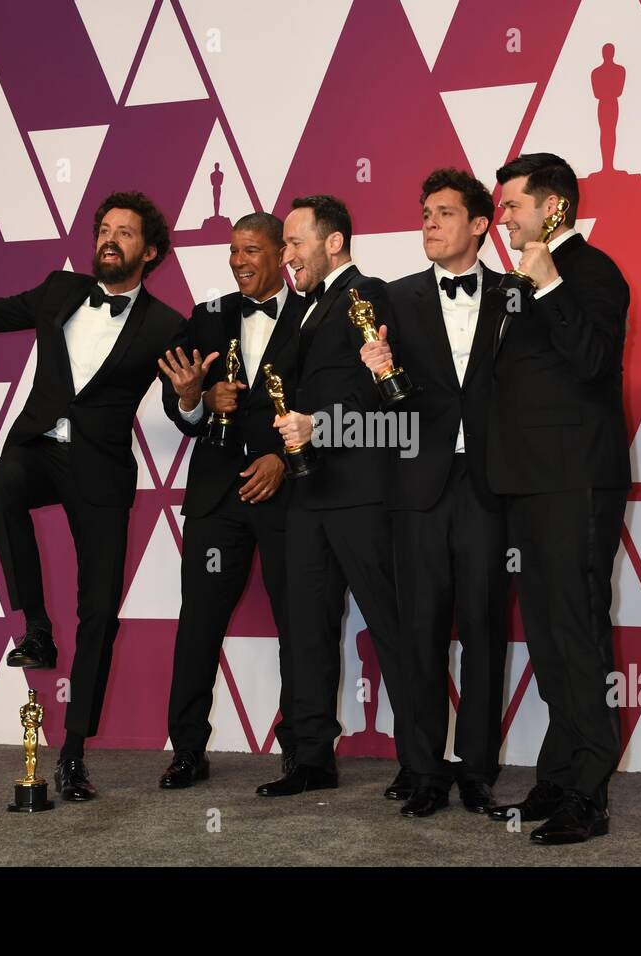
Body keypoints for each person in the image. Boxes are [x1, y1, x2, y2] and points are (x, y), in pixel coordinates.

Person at [0, 190, 197, 802]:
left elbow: (186, 414)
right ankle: (38, 626)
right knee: (3, 483)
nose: (110, 238)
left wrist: (188, 399)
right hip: (40, 450)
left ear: (149, 251)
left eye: (125, 232)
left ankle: (73, 756)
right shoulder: (59, 288)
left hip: (101, 472)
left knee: (100, 612)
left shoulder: (165, 325)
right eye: (104, 228)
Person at [483, 153, 632, 844]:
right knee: (547, 634)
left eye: (512, 205)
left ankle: (589, 794)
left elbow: (596, 362)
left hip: (575, 483)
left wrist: (548, 286)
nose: (502, 218)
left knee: (577, 634)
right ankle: (561, 770)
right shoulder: (519, 281)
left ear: (554, 208)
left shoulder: (594, 272)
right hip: (528, 484)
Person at [357, 168, 509, 817]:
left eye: (444, 213)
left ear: (480, 224)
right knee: (417, 635)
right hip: (417, 487)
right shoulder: (392, 297)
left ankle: (475, 771)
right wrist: (377, 373)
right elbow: (383, 401)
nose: (429, 223)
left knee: (483, 632)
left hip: (490, 488)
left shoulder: (516, 296)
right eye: (424, 213)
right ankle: (422, 772)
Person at [255, 195, 416, 798]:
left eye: (294, 242)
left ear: (335, 243)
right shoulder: (302, 308)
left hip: (360, 492)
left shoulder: (363, 294)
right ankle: (311, 759)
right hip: (309, 494)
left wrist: (319, 426)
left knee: (392, 627)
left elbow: (382, 396)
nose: (285, 253)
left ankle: (419, 761)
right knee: (305, 631)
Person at [158, 212, 306, 788]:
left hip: (286, 493)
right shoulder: (207, 318)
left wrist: (282, 460)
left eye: (251, 250)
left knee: (299, 623)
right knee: (197, 624)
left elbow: (323, 400)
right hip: (218, 499)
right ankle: (187, 750)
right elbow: (182, 407)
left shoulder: (312, 315)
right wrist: (195, 397)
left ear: (279, 253)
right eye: (233, 251)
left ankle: (301, 745)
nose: (239, 261)